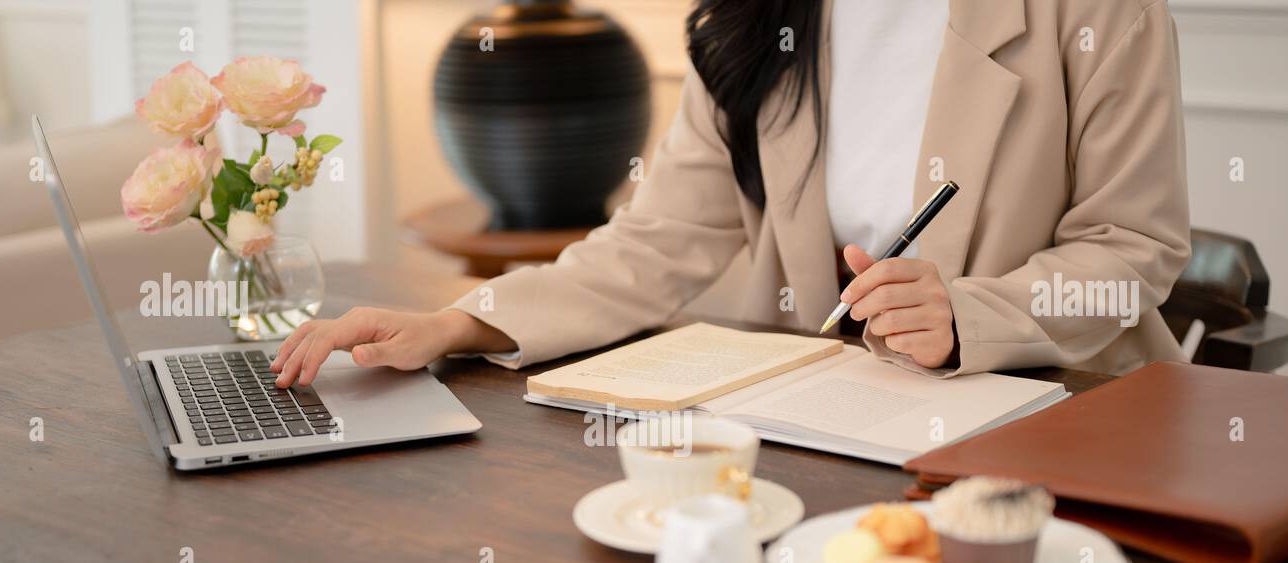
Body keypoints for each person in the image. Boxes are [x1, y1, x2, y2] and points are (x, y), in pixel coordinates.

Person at [272, 0, 1190, 389]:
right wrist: (460, 323)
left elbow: (1133, 247)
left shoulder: (1100, 13)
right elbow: (653, 242)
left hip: (1057, 424)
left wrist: (971, 313)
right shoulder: (758, 21)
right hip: (833, 430)